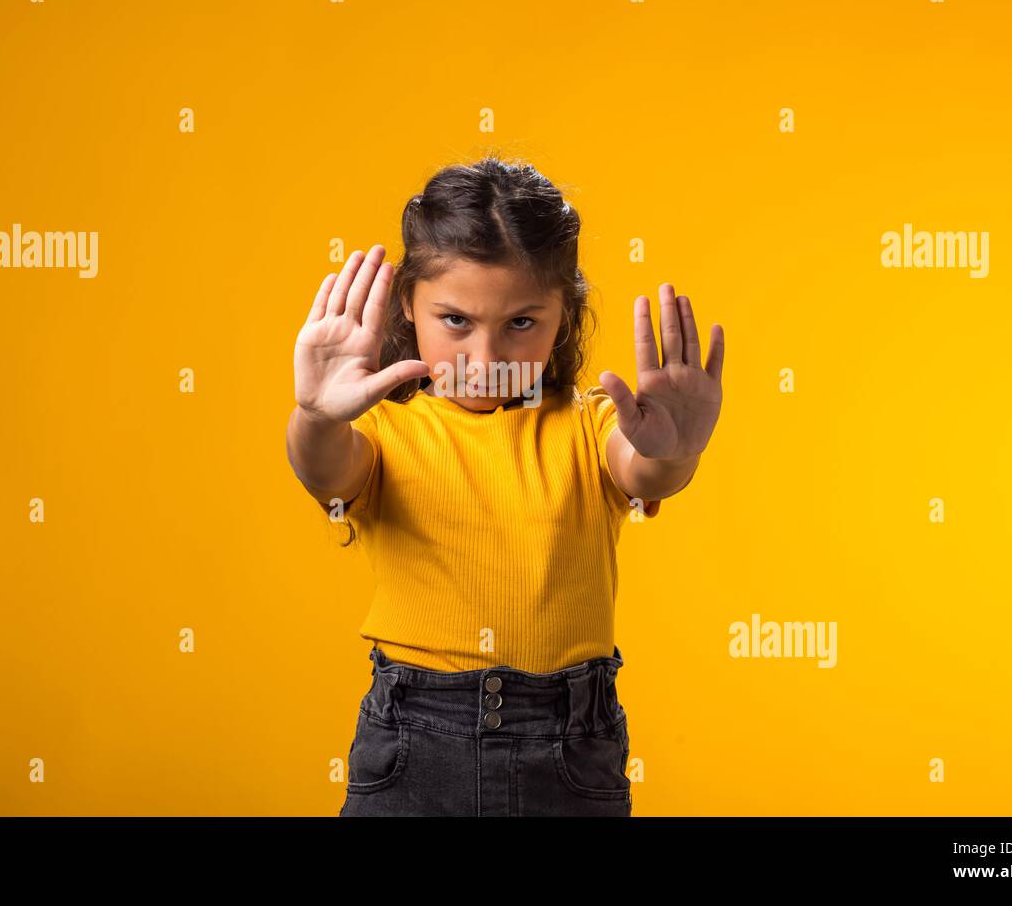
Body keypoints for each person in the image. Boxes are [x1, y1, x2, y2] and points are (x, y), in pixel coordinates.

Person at [285, 156, 724, 815]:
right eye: (455, 320)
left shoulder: (590, 426)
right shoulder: (382, 431)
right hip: (412, 740)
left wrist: (676, 451)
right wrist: (316, 416)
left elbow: (642, 470)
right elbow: (326, 468)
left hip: (569, 747)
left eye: (521, 323)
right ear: (408, 302)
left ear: (564, 316)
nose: (485, 360)